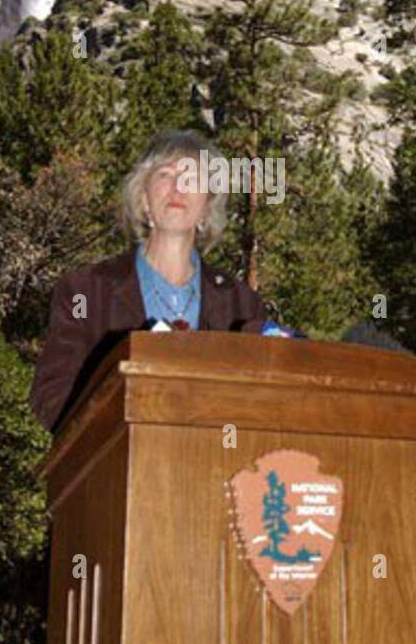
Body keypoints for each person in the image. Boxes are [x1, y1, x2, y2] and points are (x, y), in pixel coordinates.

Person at [30, 128, 270, 433]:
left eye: (191, 178)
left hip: (212, 470)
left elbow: (256, 404)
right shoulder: (85, 294)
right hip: (115, 469)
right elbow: (52, 395)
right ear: (144, 199)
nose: (177, 188)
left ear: (207, 206)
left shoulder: (242, 304)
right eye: (166, 174)